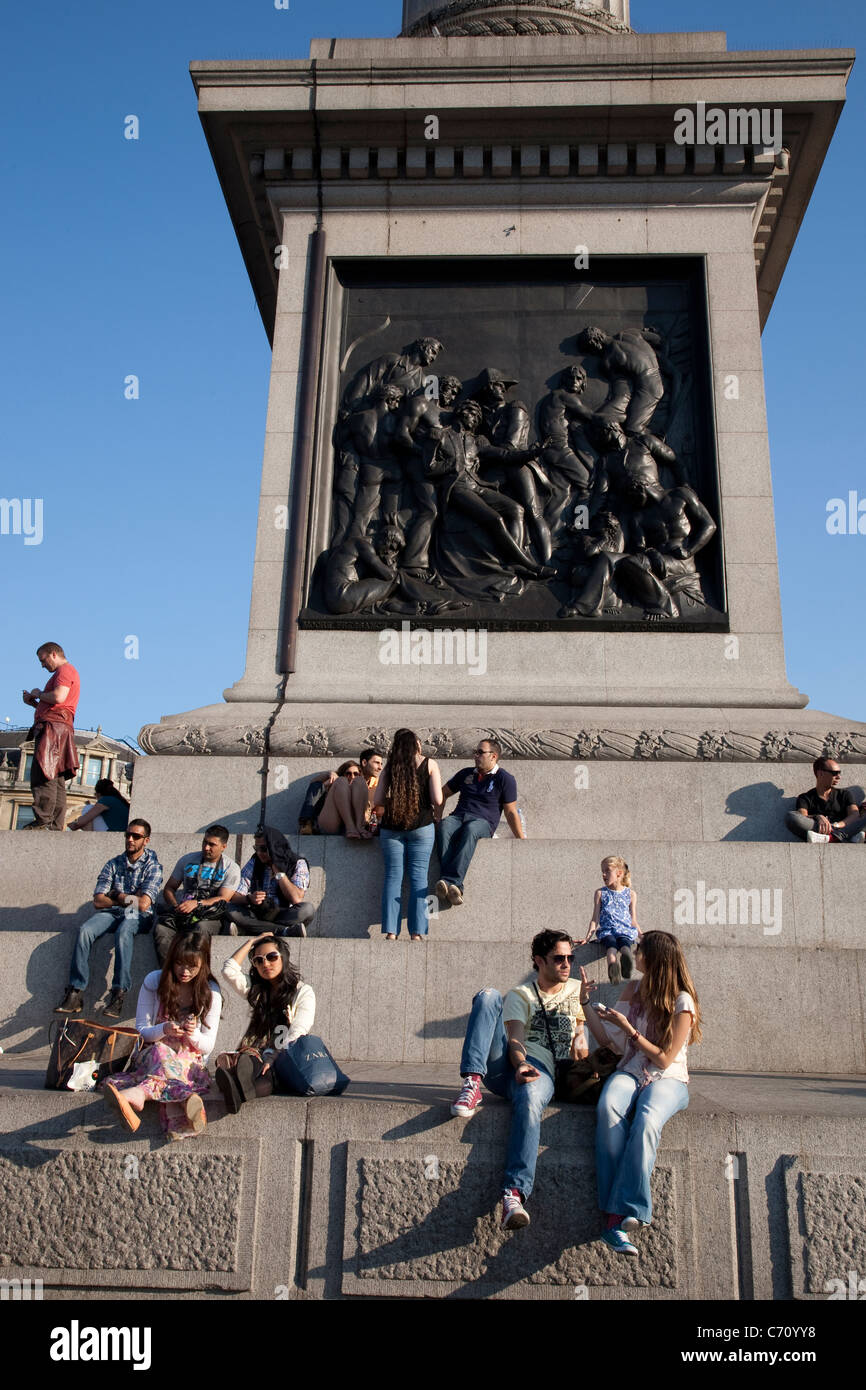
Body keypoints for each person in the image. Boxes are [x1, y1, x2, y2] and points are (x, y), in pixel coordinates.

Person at [449, 929, 590, 1229]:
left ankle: (513, 1194)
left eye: (570, 958)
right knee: (487, 996)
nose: (566, 964)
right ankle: (472, 1081)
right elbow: (515, 1039)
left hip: (545, 1071)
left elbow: (581, 1044)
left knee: (528, 1101)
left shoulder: (578, 990)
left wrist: (585, 1026)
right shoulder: (521, 994)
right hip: (509, 1066)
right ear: (539, 961)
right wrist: (522, 1063)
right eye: (558, 958)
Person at [584, 932, 702, 1256]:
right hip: (631, 1070)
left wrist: (630, 1029)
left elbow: (664, 1058)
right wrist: (584, 1004)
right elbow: (611, 1042)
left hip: (670, 1078)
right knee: (608, 1107)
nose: (635, 954)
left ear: (655, 957)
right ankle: (616, 1217)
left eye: (640, 950)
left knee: (647, 1118)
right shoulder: (634, 989)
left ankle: (626, 1210)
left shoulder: (683, 1001)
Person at [102, 931, 222, 1141]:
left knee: (170, 1062)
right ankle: (185, 1104)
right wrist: (164, 1029)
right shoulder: (155, 981)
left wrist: (192, 1034)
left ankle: (138, 1094)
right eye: (179, 964)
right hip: (151, 1055)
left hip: (190, 1062)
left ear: (203, 964)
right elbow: (141, 1030)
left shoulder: (210, 991)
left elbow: (208, 1045)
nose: (184, 971)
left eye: (192, 966)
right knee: (161, 1051)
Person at [54, 820, 163, 1019]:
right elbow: (98, 901)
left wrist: (117, 896)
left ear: (146, 840)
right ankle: (76, 991)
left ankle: (119, 993)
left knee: (124, 931)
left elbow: (144, 905)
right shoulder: (113, 863)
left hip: (138, 915)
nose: (130, 839)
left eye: (136, 836)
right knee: (86, 930)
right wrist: (130, 898)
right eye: (128, 835)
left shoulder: (153, 866)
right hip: (113, 912)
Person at [215, 933, 315, 1111]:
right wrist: (251, 941)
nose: (266, 964)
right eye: (258, 960)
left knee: (261, 1069)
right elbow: (228, 971)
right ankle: (238, 1084)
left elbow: (298, 1031)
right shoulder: (257, 989)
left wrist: (273, 1057)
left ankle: (234, 1089)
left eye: (271, 957)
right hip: (256, 1052)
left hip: (284, 1054)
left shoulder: (302, 991)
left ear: (283, 957)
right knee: (253, 1066)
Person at [435, 738, 523, 906]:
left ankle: (453, 882)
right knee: (445, 826)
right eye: (475, 752)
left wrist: (521, 840)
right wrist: (438, 818)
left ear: (493, 756)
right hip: (458, 817)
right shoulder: (466, 773)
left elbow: (511, 812)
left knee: (471, 830)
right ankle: (449, 884)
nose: (476, 756)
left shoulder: (505, 778)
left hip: (483, 822)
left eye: (480, 752)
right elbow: (442, 794)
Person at [373, 729, 443, 940]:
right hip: (422, 827)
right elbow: (438, 799)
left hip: (392, 828)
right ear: (417, 745)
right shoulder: (429, 764)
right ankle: (417, 933)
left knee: (393, 877)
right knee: (419, 878)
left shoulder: (391, 766)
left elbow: (378, 798)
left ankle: (391, 932)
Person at [154, 826, 241, 964]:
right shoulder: (187, 860)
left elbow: (224, 898)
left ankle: (192, 971)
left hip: (210, 917)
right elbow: (169, 888)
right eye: (204, 842)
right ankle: (166, 974)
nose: (206, 848)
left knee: (200, 929)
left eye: (212, 844)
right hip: (182, 913)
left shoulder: (231, 867)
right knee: (161, 929)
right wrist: (175, 905)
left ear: (224, 846)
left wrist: (197, 904)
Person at [21, 641, 80, 830]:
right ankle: (54, 824)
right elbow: (58, 703)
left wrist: (39, 693)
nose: (42, 664)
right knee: (55, 777)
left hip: (52, 728)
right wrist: (35, 702)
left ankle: (43, 820)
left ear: (53, 654)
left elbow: (59, 697)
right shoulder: (67, 672)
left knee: (44, 773)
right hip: (59, 727)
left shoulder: (64, 671)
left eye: (43, 659)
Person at [227, 825, 315, 938]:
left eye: (263, 849)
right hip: (257, 913)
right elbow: (235, 895)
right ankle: (283, 931)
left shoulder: (297, 863)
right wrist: (249, 898)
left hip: (283, 914)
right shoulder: (255, 861)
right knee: (229, 908)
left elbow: (296, 898)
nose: (259, 853)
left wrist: (279, 873)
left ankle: (251, 930)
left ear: (275, 847)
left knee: (307, 910)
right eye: (256, 848)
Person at [579, 856, 642, 983]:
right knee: (613, 946)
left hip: (625, 930)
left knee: (617, 946)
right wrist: (587, 938)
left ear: (619, 873)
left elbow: (633, 920)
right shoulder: (600, 893)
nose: (603, 874)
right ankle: (614, 969)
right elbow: (595, 919)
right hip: (608, 931)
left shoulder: (631, 894)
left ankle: (625, 960)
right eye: (602, 871)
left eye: (607, 871)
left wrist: (642, 935)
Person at [785, 758, 863, 843]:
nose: (838, 777)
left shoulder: (844, 794)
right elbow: (803, 816)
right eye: (834, 773)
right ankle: (835, 837)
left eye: (839, 773)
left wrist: (837, 825)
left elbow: (855, 814)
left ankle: (834, 837)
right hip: (819, 829)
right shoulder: (805, 797)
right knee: (791, 816)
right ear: (820, 773)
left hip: (843, 828)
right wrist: (817, 817)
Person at [316, 760, 374, 837]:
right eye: (348, 773)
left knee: (360, 781)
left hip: (357, 823)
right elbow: (313, 782)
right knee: (341, 781)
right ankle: (350, 827)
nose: (352, 777)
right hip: (331, 823)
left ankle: (359, 827)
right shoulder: (336, 783)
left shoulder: (362, 784)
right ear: (342, 773)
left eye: (356, 774)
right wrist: (329, 773)